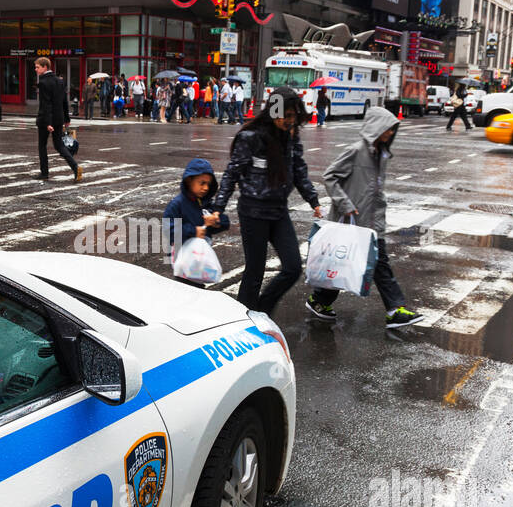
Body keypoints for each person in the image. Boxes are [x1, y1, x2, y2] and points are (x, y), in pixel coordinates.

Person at [307, 107, 424, 329]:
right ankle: (319, 300)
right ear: (376, 128)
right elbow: (329, 176)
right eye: (388, 129)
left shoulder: (381, 154)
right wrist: (345, 205)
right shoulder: (356, 151)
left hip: (373, 222)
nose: (390, 134)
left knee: (380, 265)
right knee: (341, 263)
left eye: (392, 130)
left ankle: (394, 309)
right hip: (352, 221)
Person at [211, 88, 322, 315]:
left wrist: (314, 200)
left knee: (292, 267)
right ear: (275, 111)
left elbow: (299, 171)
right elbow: (232, 174)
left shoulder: (290, 137)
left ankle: (262, 310)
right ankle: (243, 318)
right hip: (253, 212)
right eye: (286, 115)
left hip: (279, 211)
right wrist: (218, 208)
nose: (290, 121)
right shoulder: (251, 137)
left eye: (293, 116)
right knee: (255, 271)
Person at [162, 157, 230, 288]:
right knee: (185, 286)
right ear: (189, 181)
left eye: (208, 184)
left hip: (199, 255)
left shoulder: (205, 203)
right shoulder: (177, 204)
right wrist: (194, 231)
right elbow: (169, 229)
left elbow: (224, 222)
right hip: (183, 254)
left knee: (198, 285)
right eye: (202, 183)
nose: (205, 188)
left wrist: (216, 222)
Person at [35, 56, 82, 182]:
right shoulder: (59, 81)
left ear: (45, 67)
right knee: (59, 146)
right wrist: (67, 118)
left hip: (46, 119)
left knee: (42, 146)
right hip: (59, 118)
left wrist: (48, 123)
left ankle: (44, 173)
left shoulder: (43, 83)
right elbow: (64, 101)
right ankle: (75, 167)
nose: (36, 70)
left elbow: (46, 104)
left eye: (37, 67)